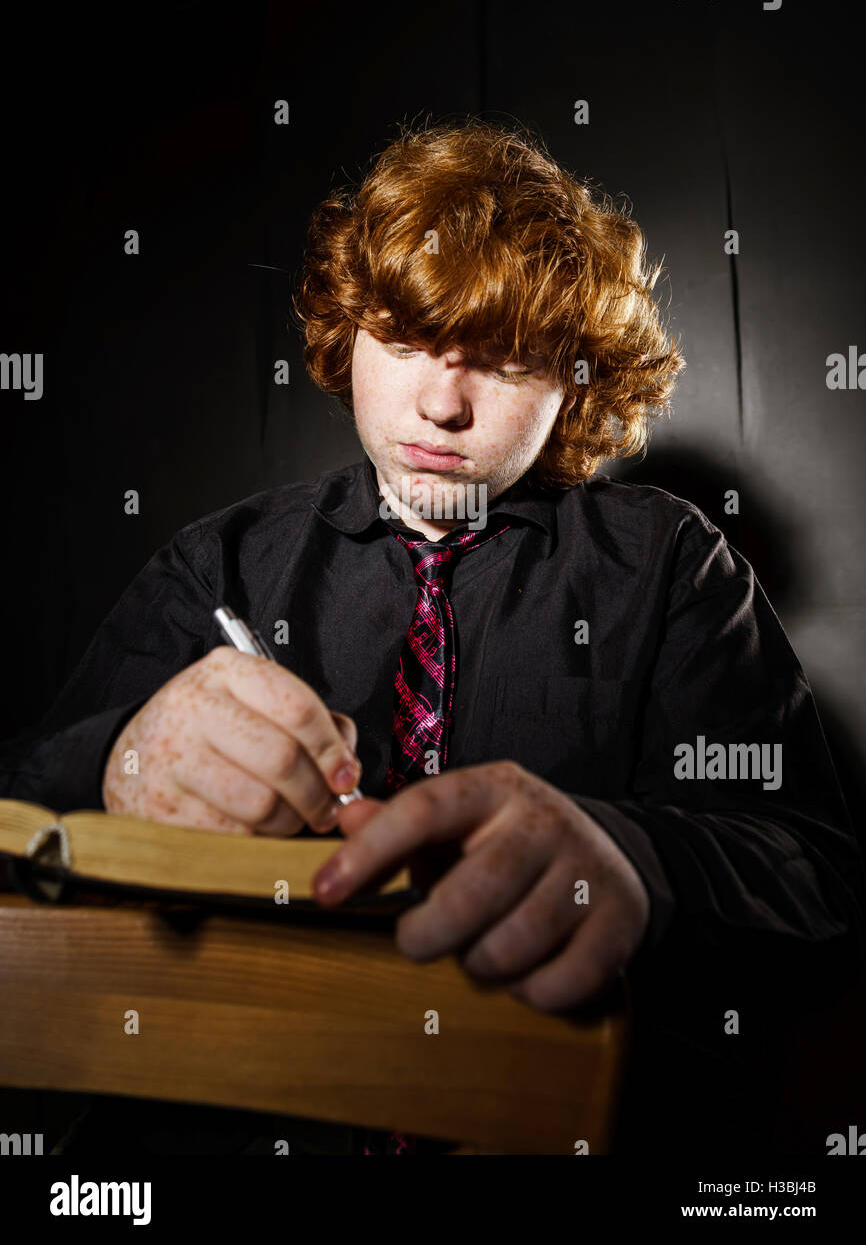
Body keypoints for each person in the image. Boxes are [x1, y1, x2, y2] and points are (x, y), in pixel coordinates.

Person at [2, 118, 864, 1155]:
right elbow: (17, 819)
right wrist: (117, 762)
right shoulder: (217, 564)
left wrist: (632, 860)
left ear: (574, 379)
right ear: (348, 336)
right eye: (406, 341)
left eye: (500, 361)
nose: (442, 402)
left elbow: (815, 877)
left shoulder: (670, 563)